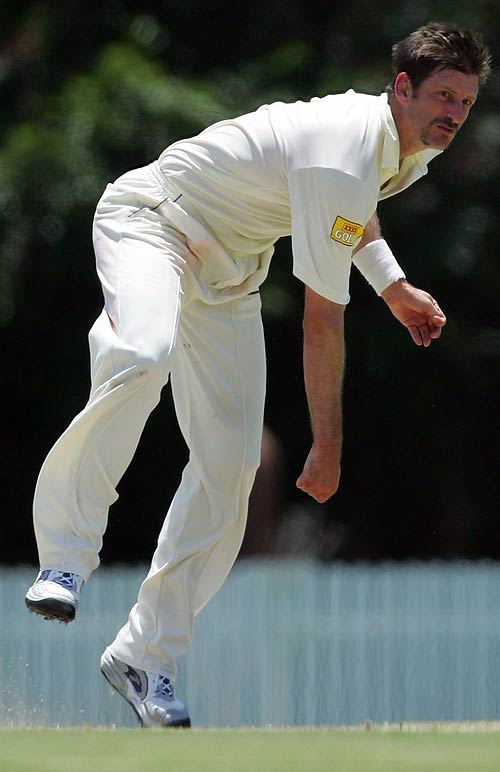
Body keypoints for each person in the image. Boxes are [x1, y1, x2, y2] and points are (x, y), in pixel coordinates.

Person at [25, 22, 491, 727]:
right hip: (155, 224)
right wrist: (327, 448)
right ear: (401, 88)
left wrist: (392, 285)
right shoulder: (347, 149)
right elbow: (320, 322)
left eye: (466, 100)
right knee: (143, 355)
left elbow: (352, 212)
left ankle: (144, 655)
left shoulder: (403, 147)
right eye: (443, 97)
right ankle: (63, 556)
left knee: (232, 462)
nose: (454, 114)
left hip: (229, 277)